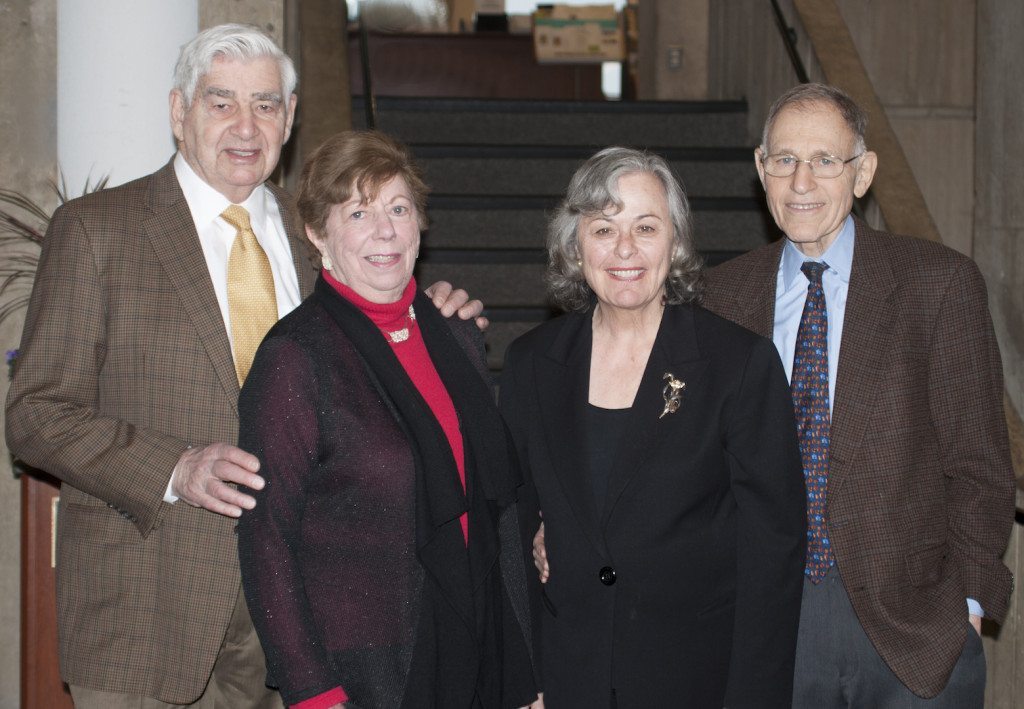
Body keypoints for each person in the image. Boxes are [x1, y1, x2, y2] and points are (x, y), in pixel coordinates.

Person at [5, 24, 480, 708]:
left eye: (265, 104)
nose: (245, 125)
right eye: (221, 101)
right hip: (150, 607)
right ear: (178, 111)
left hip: (300, 622)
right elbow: (36, 412)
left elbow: (370, 334)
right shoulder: (95, 230)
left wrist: (423, 314)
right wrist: (175, 467)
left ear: (289, 119)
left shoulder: (318, 231)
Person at [535, 83, 1016, 708]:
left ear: (863, 172)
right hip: (760, 622)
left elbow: (979, 464)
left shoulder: (938, 284)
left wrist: (970, 607)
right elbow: (645, 449)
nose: (802, 181)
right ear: (761, 170)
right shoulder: (714, 299)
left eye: (825, 160)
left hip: (915, 631)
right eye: (784, 159)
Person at [235, 130, 540, 709]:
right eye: (358, 212)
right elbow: (266, 535)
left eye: (399, 209)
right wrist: (311, 690)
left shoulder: (456, 336)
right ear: (318, 234)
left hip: (479, 645)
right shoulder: (295, 357)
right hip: (367, 672)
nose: (385, 230)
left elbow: (499, 507)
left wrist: (526, 667)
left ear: (420, 227)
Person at [500, 147, 806, 708]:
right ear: (575, 244)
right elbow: (512, 524)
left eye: (646, 227)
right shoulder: (531, 363)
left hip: (695, 683)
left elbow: (774, 554)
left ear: (676, 241)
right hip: (566, 679)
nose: (624, 249)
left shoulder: (737, 365)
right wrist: (523, 679)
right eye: (603, 228)